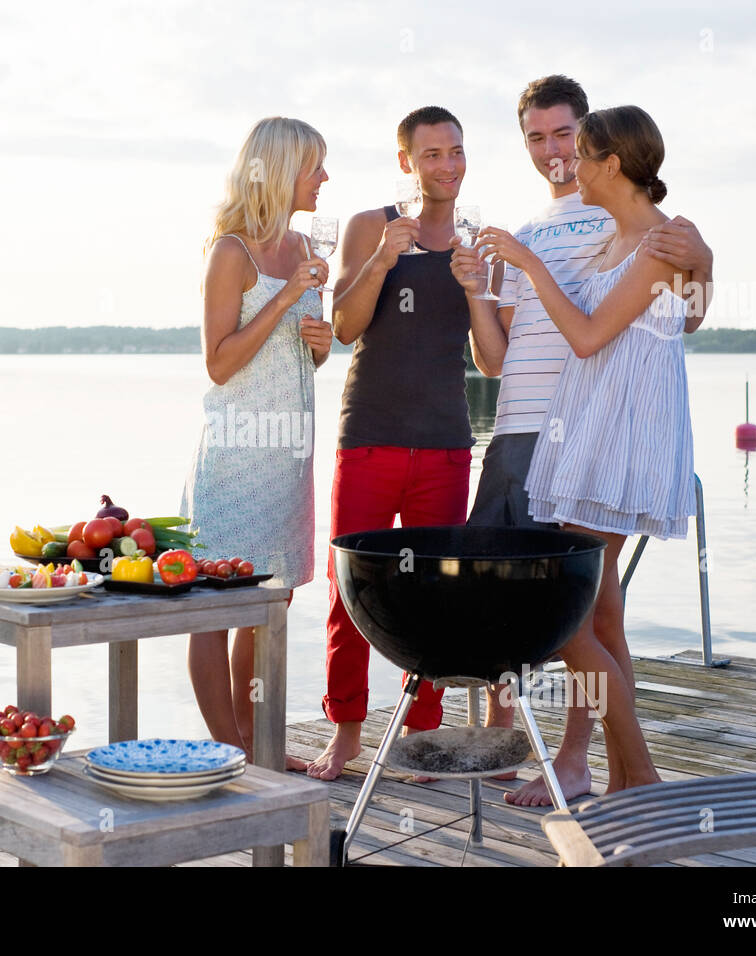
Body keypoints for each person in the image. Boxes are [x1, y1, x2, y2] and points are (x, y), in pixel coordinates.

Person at [451, 76, 713, 806]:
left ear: (605, 154)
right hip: (552, 435)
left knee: (570, 614)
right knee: (570, 612)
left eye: (572, 139)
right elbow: (502, 355)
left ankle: (613, 766)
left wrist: (707, 265)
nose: (558, 155)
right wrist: (483, 283)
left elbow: (643, 325)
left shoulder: (643, 231)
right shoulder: (570, 235)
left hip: (605, 437)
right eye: (537, 138)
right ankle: (629, 774)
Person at [306, 106, 476, 781]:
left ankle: (422, 737)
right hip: (370, 436)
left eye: (457, 152)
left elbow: (490, 349)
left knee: (434, 595)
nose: (447, 166)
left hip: (446, 445)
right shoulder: (369, 225)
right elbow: (344, 326)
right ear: (406, 161)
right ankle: (346, 734)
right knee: (351, 590)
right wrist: (382, 258)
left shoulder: (473, 243)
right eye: (432, 154)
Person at [180, 117, 335, 771]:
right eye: (314, 167)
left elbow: (295, 360)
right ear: (277, 171)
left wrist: (321, 349)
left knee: (269, 603)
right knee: (218, 606)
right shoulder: (230, 254)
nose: (325, 178)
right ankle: (227, 747)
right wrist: (288, 302)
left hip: (286, 457)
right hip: (237, 457)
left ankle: (256, 741)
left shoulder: (303, 247)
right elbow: (219, 364)